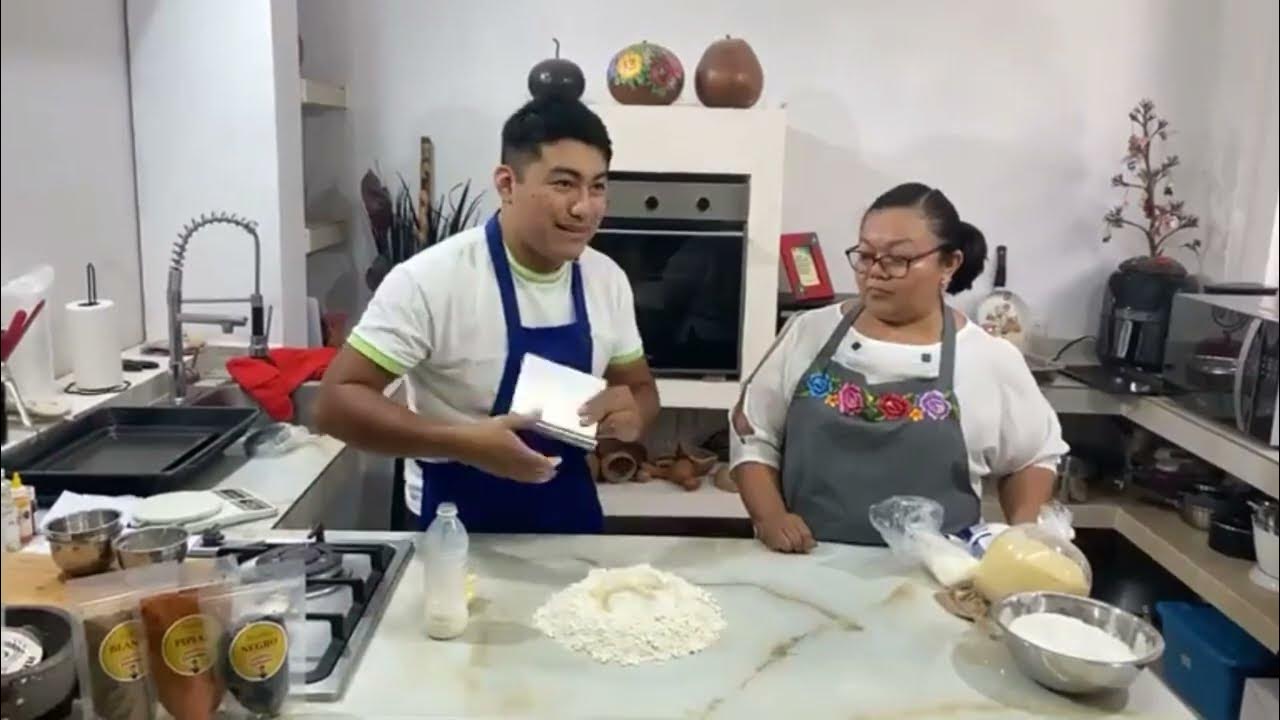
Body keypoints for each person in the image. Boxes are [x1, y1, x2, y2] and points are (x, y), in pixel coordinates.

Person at [315, 97, 660, 533]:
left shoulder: (606, 279)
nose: (584, 208)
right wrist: (461, 443)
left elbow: (640, 388)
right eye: (563, 184)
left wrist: (632, 418)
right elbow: (336, 402)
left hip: (568, 510)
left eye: (598, 187)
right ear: (506, 182)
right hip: (453, 522)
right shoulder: (431, 280)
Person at [730, 182, 1067, 553]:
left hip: (938, 578)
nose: (875, 272)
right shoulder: (807, 333)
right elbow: (754, 437)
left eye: (897, 259)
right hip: (804, 565)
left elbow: (1032, 457)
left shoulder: (989, 358)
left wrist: (1021, 538)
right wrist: (769, 517)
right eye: (865, 255)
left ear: (949, 263)